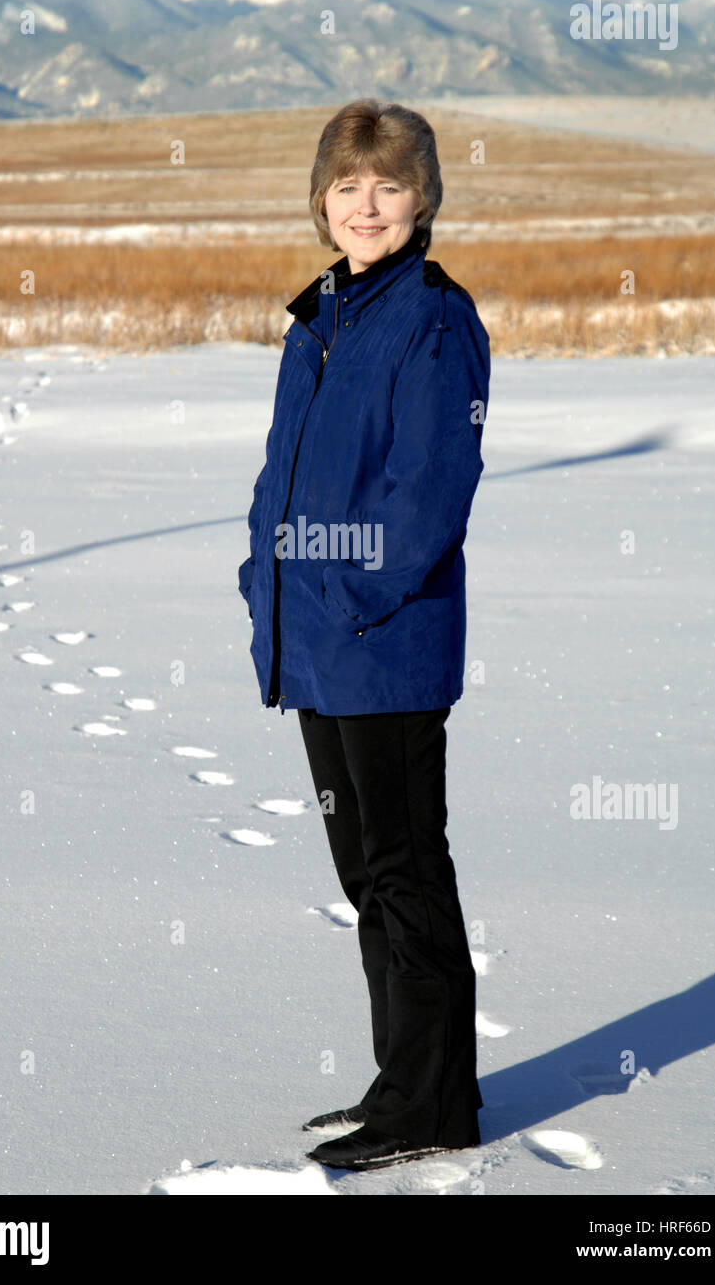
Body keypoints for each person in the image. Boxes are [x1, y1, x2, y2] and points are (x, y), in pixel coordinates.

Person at [237, 98, 490, 1171]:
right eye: (347, 186)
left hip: (380, 640)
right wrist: (266, 576)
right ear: (321, 201)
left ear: (421, 197)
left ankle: (432, 1106)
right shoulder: (324, 316)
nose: (366, 205)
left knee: (402, 868)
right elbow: (279, 472)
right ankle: (407, 1085)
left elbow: (429, 489)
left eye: (388, 186)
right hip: (317, 642)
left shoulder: (429, 317)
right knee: (364, 876)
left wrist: (344, 588)